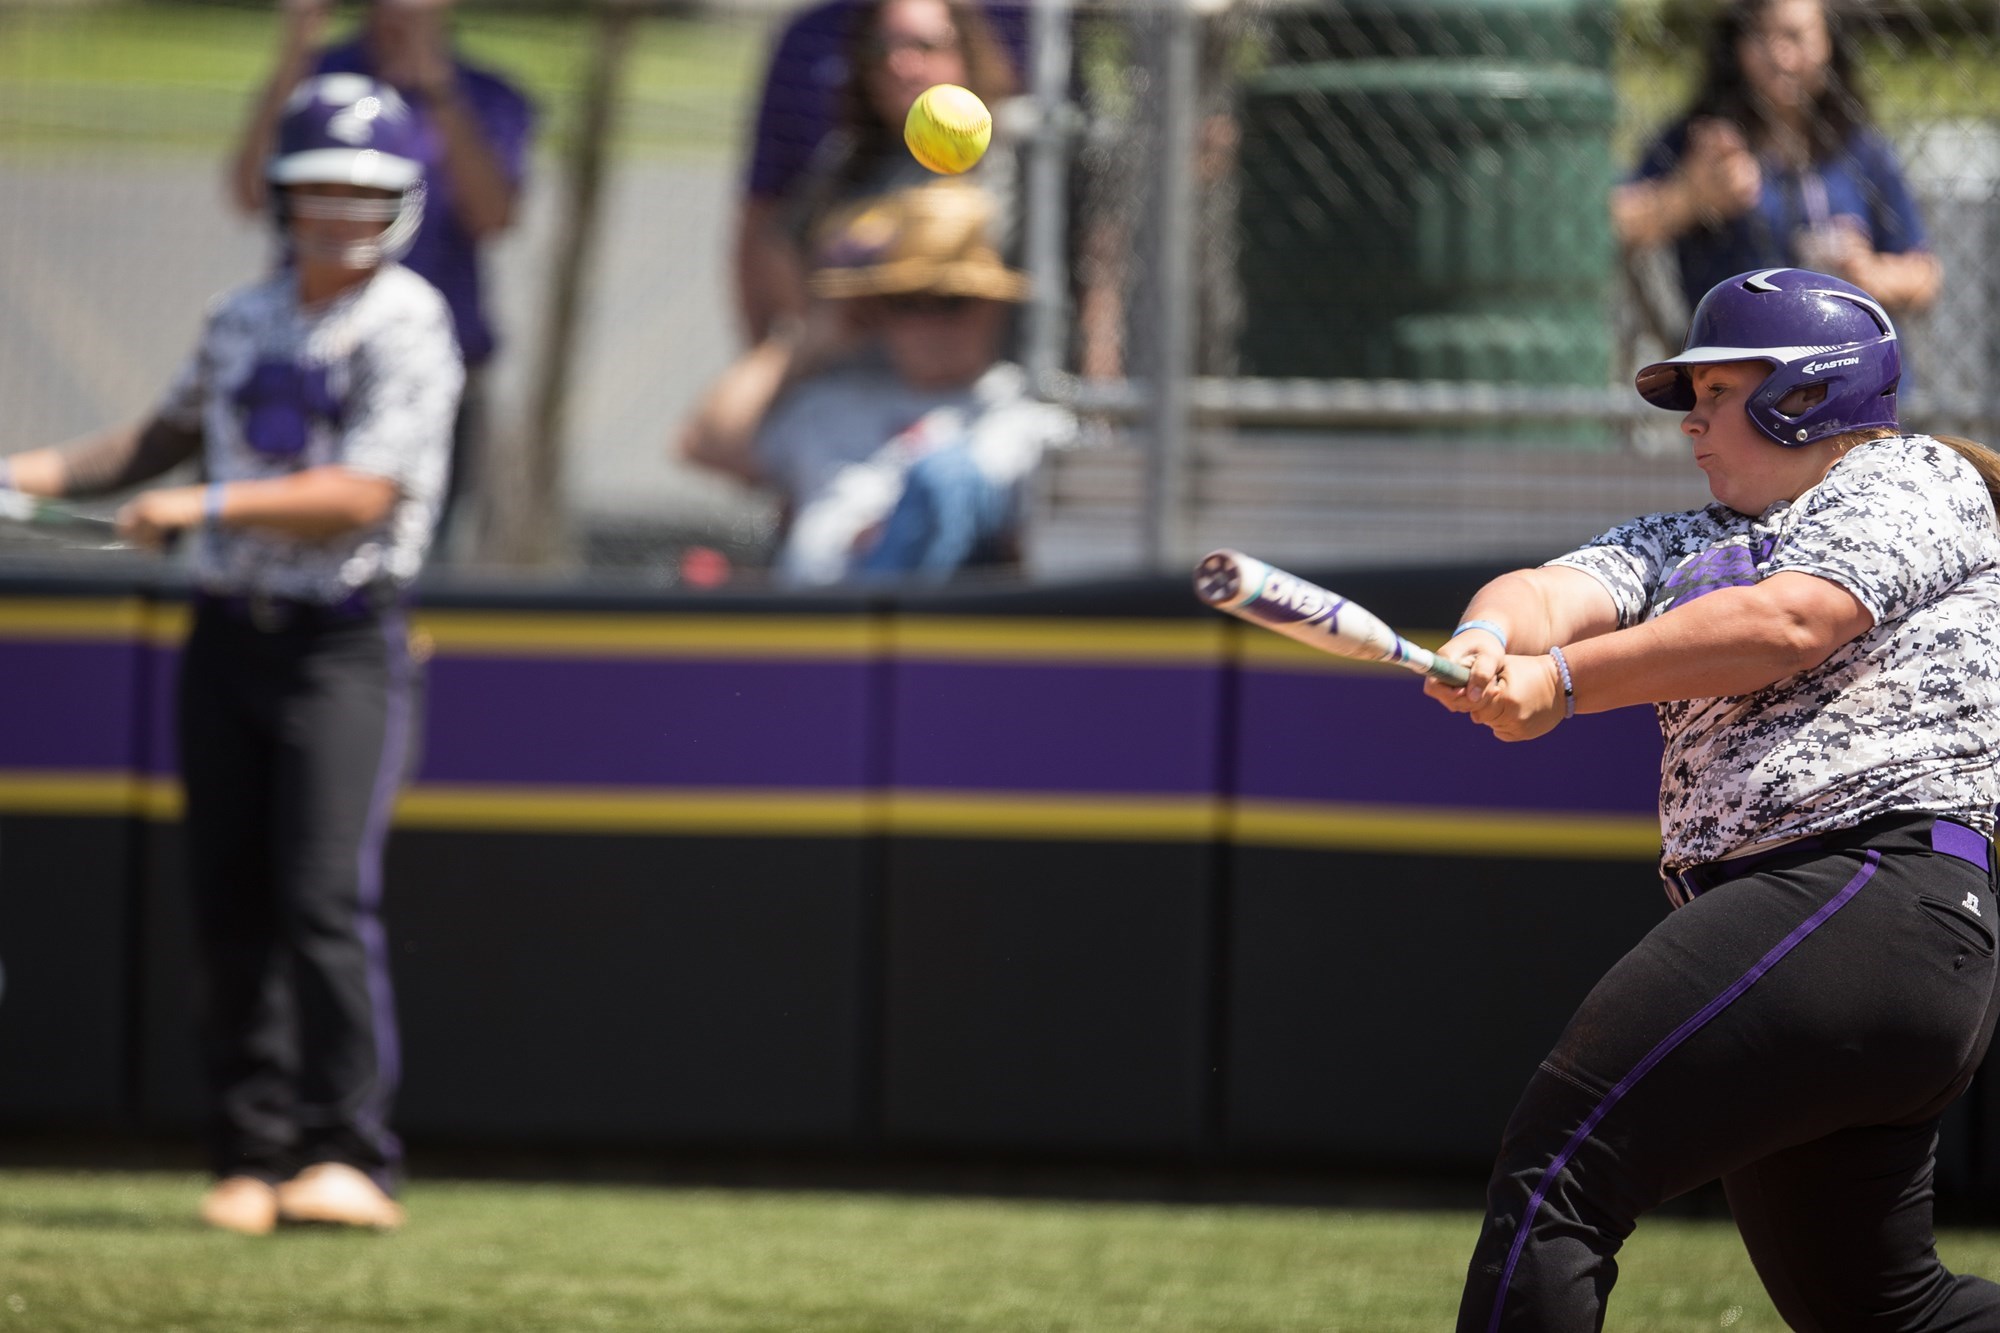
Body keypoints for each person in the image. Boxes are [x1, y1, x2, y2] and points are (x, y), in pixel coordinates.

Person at [1423, 266, 2000, 1329]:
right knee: (1883, 1311)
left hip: (1864, 890)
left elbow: (1788, 623)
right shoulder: (1687, 536)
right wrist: (1488, 635)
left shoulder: (1909, 478)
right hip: (1839, 940)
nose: (1691, 423)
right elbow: (1550, 592)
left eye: (1719, 394)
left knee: (1559, 1171)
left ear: (1809, 394)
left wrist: (1561, 683)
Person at [5, 74, 461, 1235]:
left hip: (342, 642)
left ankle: (348, 1153)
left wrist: (206, 505)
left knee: (322, 895)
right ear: (283, 196)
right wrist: (18, 478)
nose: (341, 213)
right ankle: (249, 1156)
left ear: (399, 202)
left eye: (365, 192)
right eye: (321, 188)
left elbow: (362, 492)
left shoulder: (409, 321)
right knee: (229, 898)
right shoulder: (240, 316)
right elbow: (151, 443)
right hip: (227, 633)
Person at [229, 0, 532, 549]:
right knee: (275, 539)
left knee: (415, 546)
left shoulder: (486, 94)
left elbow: (494, 216)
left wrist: (437, 88)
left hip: (433, 361)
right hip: (309, 357)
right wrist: (295, 52)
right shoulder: (319, 76)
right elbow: (249, 192)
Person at [680, 179, 1076, 585]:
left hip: (944, 614)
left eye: (951, 302)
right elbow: (707, 444)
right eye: (907, 302)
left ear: (992, 307)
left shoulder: (1030, 421)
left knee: (946, 478)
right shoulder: (828, 404)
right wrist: (811, 338)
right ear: (877, 310)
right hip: (819, 611)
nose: (929, 323)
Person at [1612, 0, 1940, 320]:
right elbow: (1610, 224)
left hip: (1848, 349)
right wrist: (1689, 197)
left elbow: (1924, 277)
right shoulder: (1700, 141)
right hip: (1739, 348)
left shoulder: (1859, 147)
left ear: (1829, 43)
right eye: (1759, 35)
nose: (1778, 56)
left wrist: (1868, 276)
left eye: (1795, 36)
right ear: (1735, 44)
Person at [734, 0, 1022, 346]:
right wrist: (810, 333)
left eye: (925, 45)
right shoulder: (847, 158)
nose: (901, 65)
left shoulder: (1020, 149)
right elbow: (774, 240)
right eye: (880, 50)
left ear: (964, 51)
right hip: (858, 366)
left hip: (981, 366)